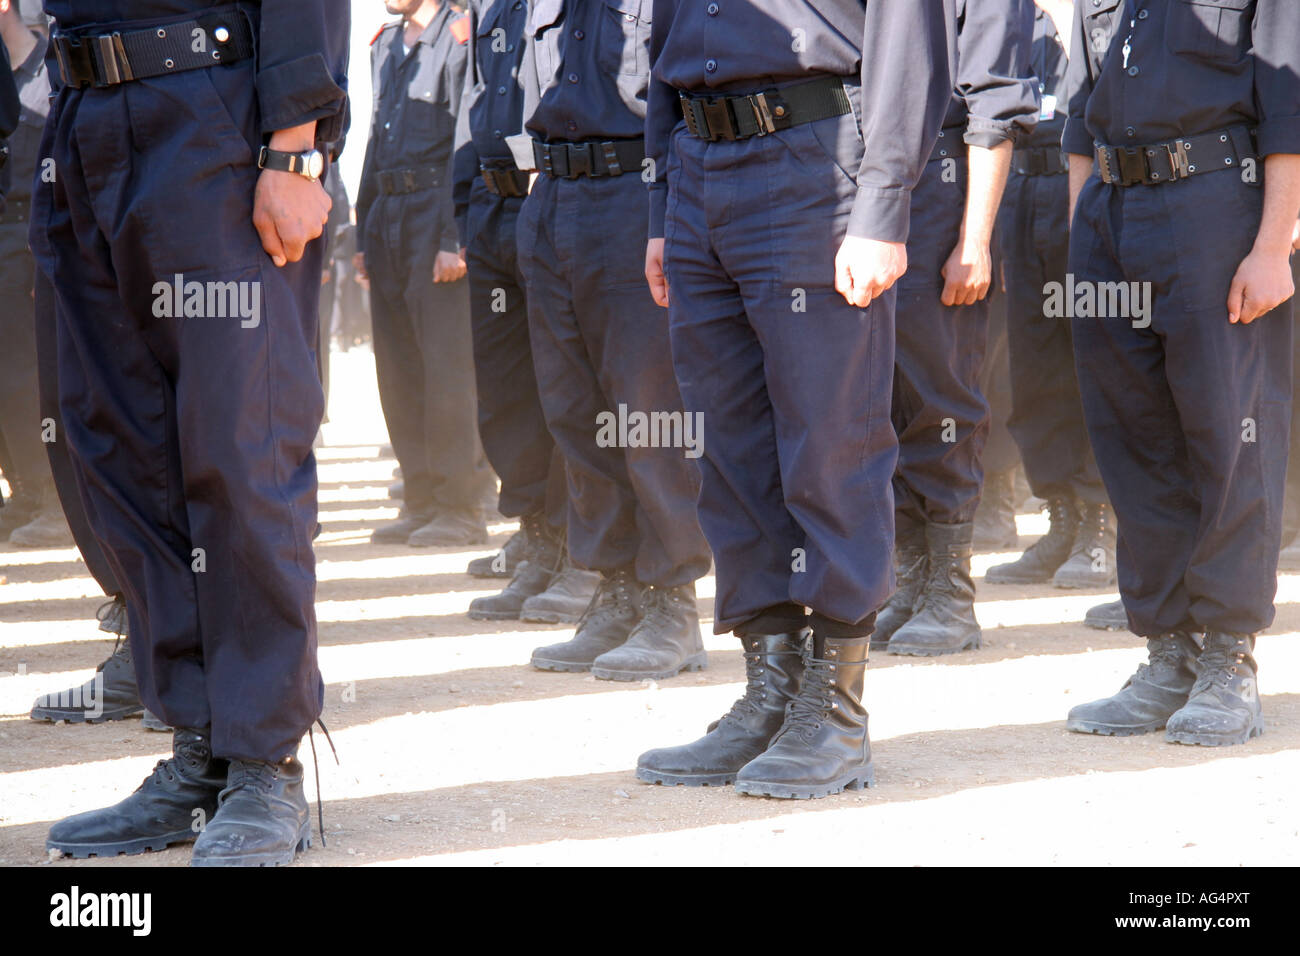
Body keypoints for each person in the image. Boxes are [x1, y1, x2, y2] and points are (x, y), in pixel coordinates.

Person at [33, 0, 349, 865]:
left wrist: (296, 144)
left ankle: (264, 760)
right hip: (85, 116)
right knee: (123, 450)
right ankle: (199, 748)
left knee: (240, 445)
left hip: (212, 112)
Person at [634, 0, 957, 798]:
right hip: (699, 169)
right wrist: (659, 212)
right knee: (731, 449)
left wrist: (881, 207)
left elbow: (907, 42)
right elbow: (660, 51)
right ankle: (771, 692)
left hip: (813, 159)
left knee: (830, 439)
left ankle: (837, 713)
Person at [1062, 0, 1300, 746]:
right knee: (1132, 439)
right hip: (1110, 211)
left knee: (1230, 434)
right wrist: (1083, 240)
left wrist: (1273, 247)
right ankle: (1169, 654)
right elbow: (1079, 113)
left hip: (1215, 203)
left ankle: (1229, 659)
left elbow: (1291, 108)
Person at [513, 0, 712, 681]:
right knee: (574, 412)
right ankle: (616, 588)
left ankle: (672, 601)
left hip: (635, 191)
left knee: (647, 407)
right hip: (553, 195)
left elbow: (685, 92)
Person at [871, 0, 1039, 657]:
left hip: (942, 191)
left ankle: (950, 592)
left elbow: (994, 109)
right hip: (867, 188)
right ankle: (912, 581)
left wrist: (974, 239)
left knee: (941, 399)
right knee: (881, 399)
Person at [452, 0, 596, 624]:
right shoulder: (489, 7)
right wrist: (464, 209)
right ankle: (537, 537)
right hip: (492, 208)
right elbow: (474, 107)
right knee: (507, 392)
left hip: (551, 195)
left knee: (564, 390)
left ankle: (582, 554)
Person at [985, 0, 1115, 591]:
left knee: (1095, 365)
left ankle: (1103, 529)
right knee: (1035, 373)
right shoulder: (1010, 13)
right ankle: (1061, 519)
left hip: (1090, 188)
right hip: (1021, 190)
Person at [356, 0, 496, 548]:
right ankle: (420, 500)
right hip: (388, 216)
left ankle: (461, 507)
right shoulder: (385, 45)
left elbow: (469, 134)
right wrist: (363, 230)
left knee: (447, 372)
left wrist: (452, 235)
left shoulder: (462, 35)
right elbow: (374, 137)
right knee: (398, 367)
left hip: (436, 212)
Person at [0, 0, 71, 549]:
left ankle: (52, 499)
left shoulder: (52, 71)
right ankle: (22, 492)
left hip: (29, 238)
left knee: (30, 378)